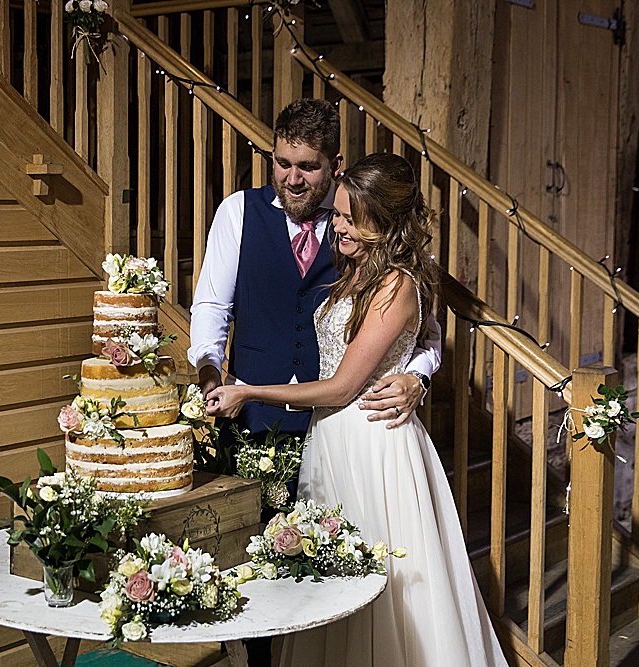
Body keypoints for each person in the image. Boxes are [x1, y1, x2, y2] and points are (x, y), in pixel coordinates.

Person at [206, 154, 509, 667]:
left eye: (349, 217)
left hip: (373, 444)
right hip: (334, 442)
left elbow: (346, 385)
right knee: (339, 588)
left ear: (383, 222)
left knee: (388, 594)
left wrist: (249, 391)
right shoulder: (357, 266)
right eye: (338, 214)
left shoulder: (399, 282)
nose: (337, 225)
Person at [189, 99, 440, 476]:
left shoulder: (363, 224)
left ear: (335, 165)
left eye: (307, 167)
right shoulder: (238, 212)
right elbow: (211, 305)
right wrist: (208, 366)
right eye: (283, 163)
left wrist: (417, 377)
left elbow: (424, 331)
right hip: (252, 416)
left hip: (337, 421)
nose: (292, 179)